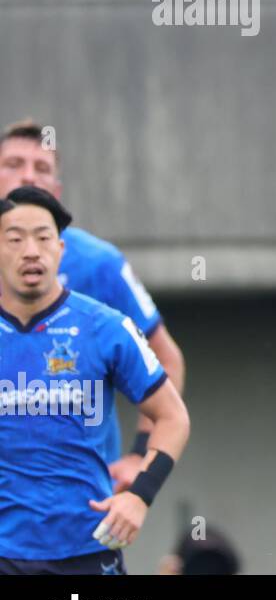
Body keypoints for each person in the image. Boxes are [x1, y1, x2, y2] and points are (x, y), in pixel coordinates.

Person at [0, 187, 190, 575]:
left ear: (61, 250)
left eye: (43, 237)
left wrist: (140, 495)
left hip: (87, 551)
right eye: (15, 239)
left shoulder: (107, 328)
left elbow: (173, 418)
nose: (31, 250)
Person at [0, 120, 186, 495]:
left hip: (83, 501)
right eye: (14, 163)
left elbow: (167, 359)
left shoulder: (99, 263)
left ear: (57, 190)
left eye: (42, 168)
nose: (27, 176)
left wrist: (138, 458)